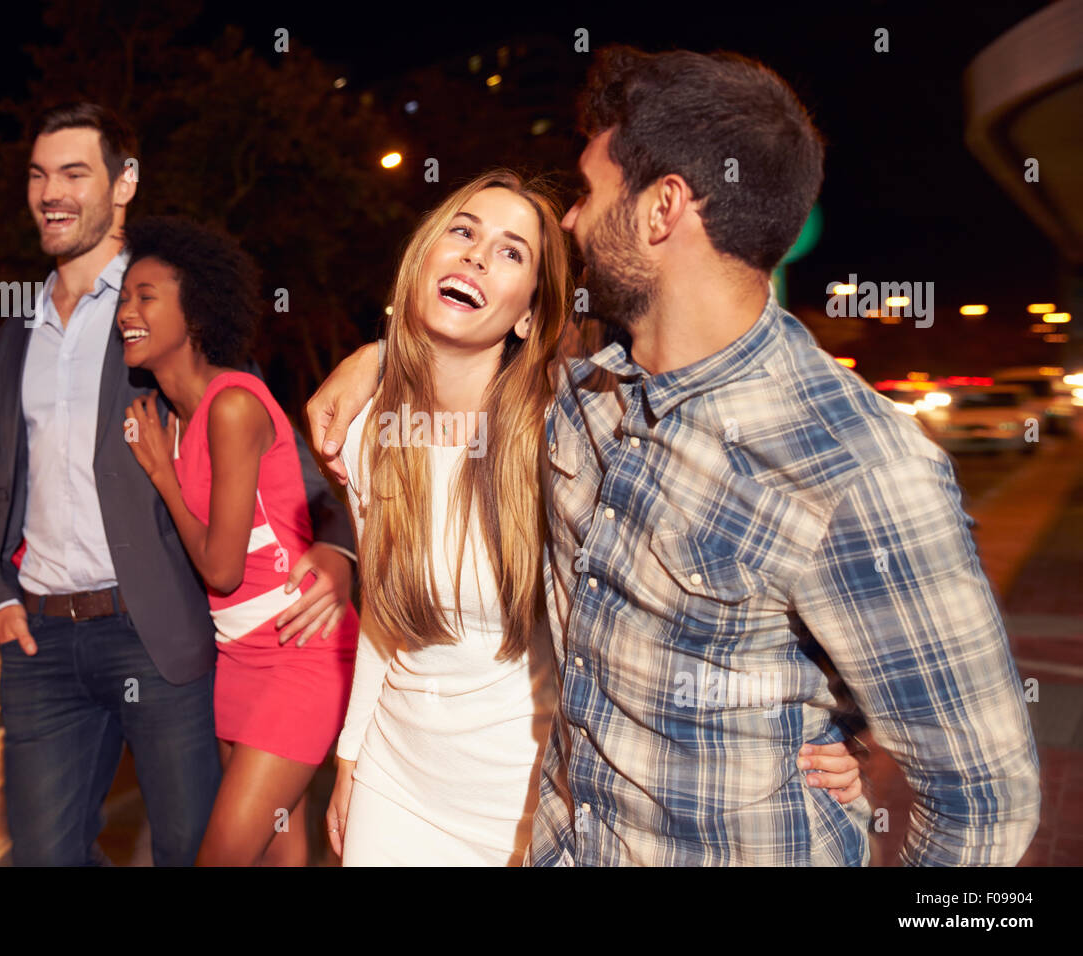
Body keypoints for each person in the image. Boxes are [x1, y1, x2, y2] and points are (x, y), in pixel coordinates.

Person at [310, 46, 1040, 867]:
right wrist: (377, 358)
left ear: (660, 211)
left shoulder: (856, 466)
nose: (575, 223)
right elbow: (461, 375)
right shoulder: (588, 403)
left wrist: (852, 731)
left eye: (588, 193)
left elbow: (983, 797)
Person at [321, 171, 863, 866]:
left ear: (527, 314)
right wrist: (351, 757)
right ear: (423, 258)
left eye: (511, 252)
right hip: (394, 787)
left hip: (535, 807)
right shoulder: (368, 433)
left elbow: (757, 559)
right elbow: (383, 625)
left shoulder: (569, 436)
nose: (476, 256)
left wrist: (841, 723)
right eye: (462, 232)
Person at [0, 103, 356, 867]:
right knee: (43, 857)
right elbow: (6, 478)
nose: (51, 192)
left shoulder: (162, 311)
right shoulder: (16, 335)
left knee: (193, 849)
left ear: (124, 184)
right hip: (42, 639)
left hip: (156, 633)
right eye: (39, 174)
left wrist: (341, 555)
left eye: (75, 173)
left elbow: (297, 472)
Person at [118, 216, 359, 866]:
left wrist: (165, 477)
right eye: (123, 297)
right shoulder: (185, 418)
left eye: (146, 296)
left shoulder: (231, 406)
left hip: (299, 653)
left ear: (195, 309)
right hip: (239, 660)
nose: (126, 312)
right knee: (279, 855)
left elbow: (222, 568)